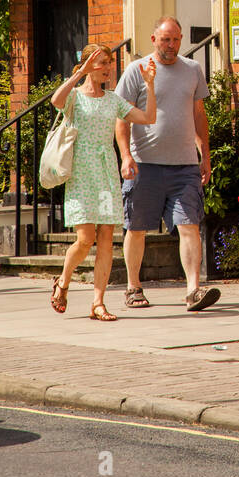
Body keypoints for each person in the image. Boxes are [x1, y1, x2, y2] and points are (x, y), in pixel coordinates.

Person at [115, 15, 219, 313]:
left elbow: (199, 113)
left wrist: (205, 152)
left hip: (184, 165)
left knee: (189, 225)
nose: (171, 45)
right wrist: (125, 155)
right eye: (165, 39)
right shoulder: (137, 71)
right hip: (144, 165)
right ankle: (134, 287)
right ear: (153, 40)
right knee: (136, 228)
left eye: (175, 39)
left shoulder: (192, 70)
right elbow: (121, 118)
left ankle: (193, 291)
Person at [49, 44, 157, 321]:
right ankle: (63, 281)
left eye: (109, 62)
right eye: (102, 63)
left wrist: (150, 86)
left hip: (107, 172)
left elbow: (148, 118)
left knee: (107, 238)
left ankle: (98, 303)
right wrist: (79, 74)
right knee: (85, 239)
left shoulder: (113, 99)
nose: (108, 68)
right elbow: (56, 102)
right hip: (81, 172)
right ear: (88, 66)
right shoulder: (75, 96)